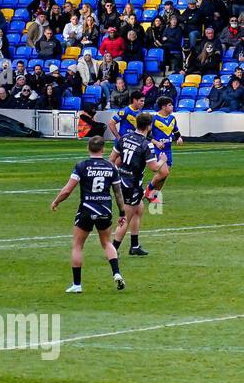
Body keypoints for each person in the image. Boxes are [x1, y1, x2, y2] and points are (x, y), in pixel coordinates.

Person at [51, 135, 126, 293]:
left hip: (86, 209)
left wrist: (57, 201)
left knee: (78, 246)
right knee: (107, 243)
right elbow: (118, 193)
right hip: (104, 209)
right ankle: (117, 273)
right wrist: (122, 213)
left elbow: (67, 190)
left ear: (88, 148)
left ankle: (77, 285)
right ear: (103, 149)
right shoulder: (111, 167)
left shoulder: (81, 166)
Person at [109, 113, 169, 257]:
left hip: (123, 181)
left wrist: (117, 175)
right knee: (125, 219)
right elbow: (154, 168)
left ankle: (134, 246)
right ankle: (112, 250)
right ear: (149, 126)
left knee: (139, 209)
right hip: (132, 185)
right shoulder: (146, 144)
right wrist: (162, 160)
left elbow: (111, 160)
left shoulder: (124, 138)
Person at [148, 96, 184, 202]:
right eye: (170, 105)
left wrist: (179, 138)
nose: (172, 107)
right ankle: (148, 190)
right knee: (164, 173)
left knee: (164, 175)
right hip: (158, 150)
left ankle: (154, 196)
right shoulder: (154, 119)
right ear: (163, 107)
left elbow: (175, 130)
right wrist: (156, 142)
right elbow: (146, 135)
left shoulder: (172, 118)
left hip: (168, 149)